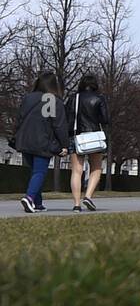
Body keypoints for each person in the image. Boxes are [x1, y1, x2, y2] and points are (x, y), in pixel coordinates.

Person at [13, 72, 69, 213]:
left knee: (35, 172)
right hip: (43, 141)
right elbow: (59, 125)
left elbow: (19, 119)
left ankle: (37, 203)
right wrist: (64, 145)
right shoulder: (54, 100)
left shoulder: (28, 98)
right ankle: (30, 198)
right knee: (39, 171)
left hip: (25, 140)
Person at [67, 73, 111, 212]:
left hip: (76, 136)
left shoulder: (74, 98)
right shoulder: (99, 98)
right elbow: (105, 119)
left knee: (76, 171)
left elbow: (68, 118)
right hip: (94, 137)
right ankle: (88, 196)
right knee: (96, 168)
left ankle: (76, 204)